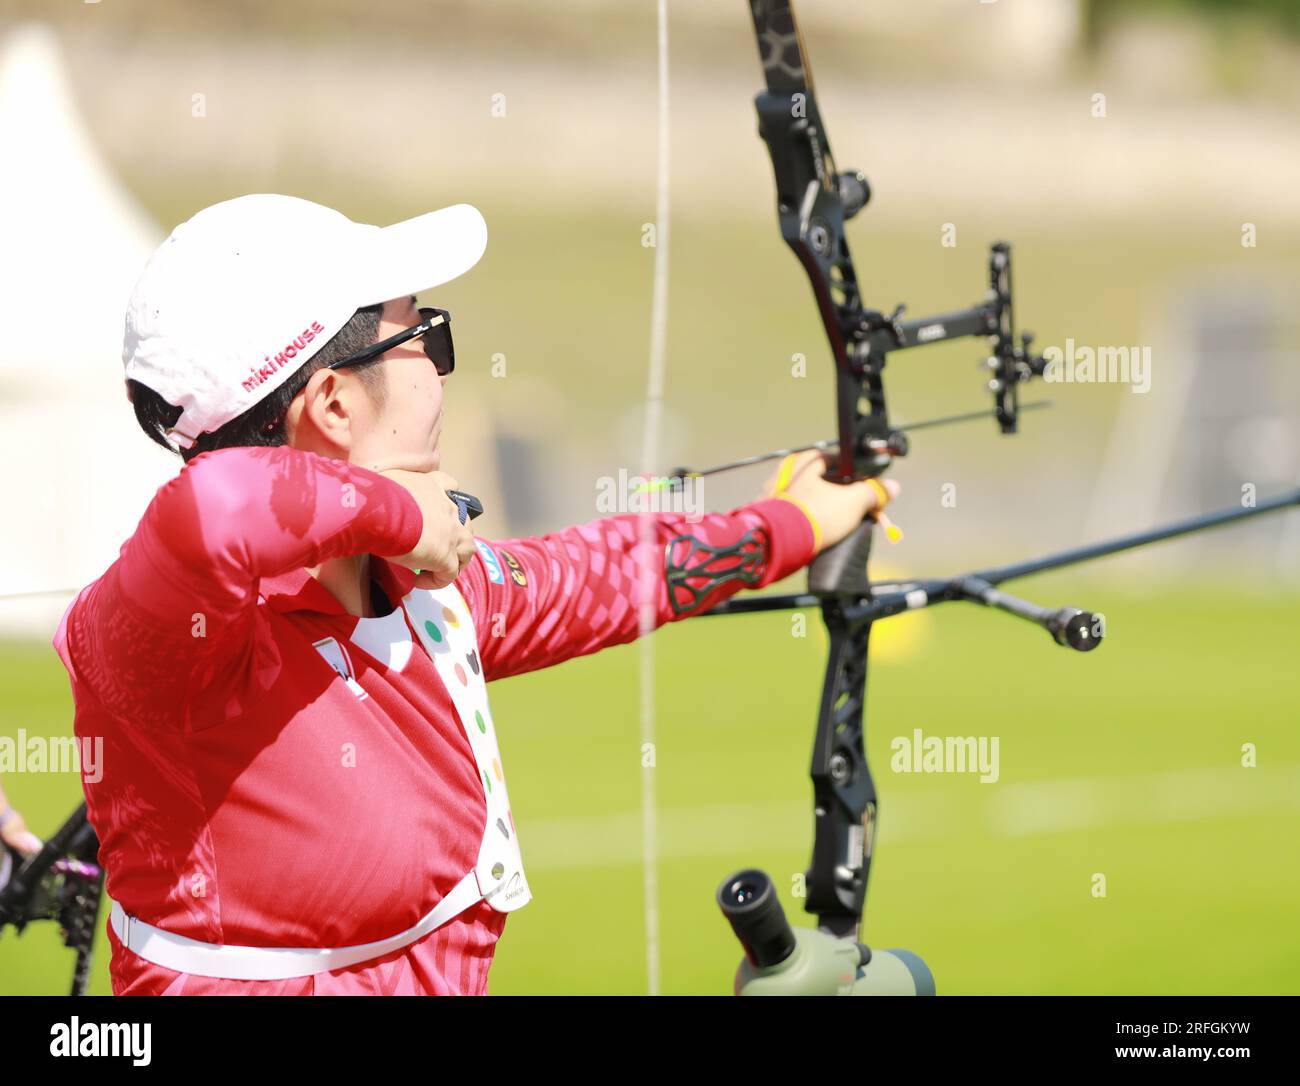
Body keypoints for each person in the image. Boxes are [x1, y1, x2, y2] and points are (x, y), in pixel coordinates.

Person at [51, 194, 896, 995]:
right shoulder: (160, 634)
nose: (441, 370)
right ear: (336, 404)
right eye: (424, 338)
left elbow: (604, 571)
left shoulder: (424, 593)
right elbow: (217, 506)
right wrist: (397, 513)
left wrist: (790, 522)